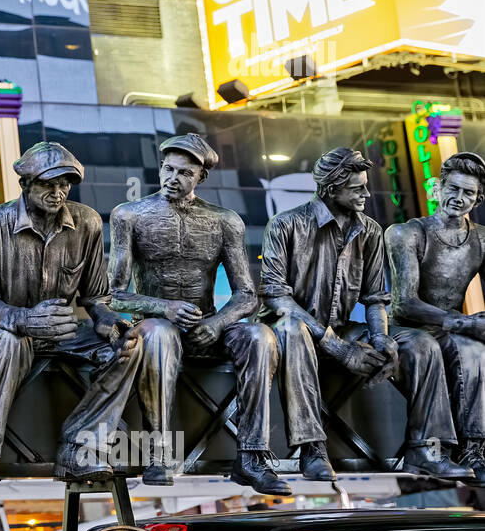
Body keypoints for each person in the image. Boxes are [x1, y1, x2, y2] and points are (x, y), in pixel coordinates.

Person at [260, 147, 470, 480]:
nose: (367, 194)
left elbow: (375, 298)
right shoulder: (285, 225)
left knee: (420, 344)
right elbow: (276, 297)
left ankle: (425, 451)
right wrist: (337, 347)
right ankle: (312, 450)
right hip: (293, 328)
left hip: (342, 328)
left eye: (366, 185)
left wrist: (381, 337)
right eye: (358, 188)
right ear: (331, 189)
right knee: (291, 330)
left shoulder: (370, 230)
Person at [107, 134, 287, 492]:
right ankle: (159, 452)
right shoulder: (129, 216)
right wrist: (165, 308)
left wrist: (217, 323)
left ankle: (252, 456)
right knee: (158, 332)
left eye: (184, 173)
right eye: (168, 169)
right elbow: (113, 295)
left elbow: (247, 296)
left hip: (206, 325)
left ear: (200, 178)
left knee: (260, 335)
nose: (173, 178)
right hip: (156, 327)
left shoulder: (225, 221)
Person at [0, 142, 135, 479]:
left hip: (64, 333)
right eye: (47, 184)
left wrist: (108, 319)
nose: (58, 193)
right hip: (8, 330)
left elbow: (96, 297)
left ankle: (81, 447)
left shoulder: (87, 223)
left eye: (64, 185)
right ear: (25, 184)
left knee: (128, 346)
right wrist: (26, 320)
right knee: (6, 343)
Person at [387, 152, 485, 483]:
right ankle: (430, 449)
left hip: (448, 329)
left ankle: (474, 448)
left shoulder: (481, 238)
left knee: (474, 350)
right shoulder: (407, 234)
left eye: (468, 193)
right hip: (406, 329)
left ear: (477, 198)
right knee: (431, 344)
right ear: (437, 187)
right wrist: (465, 322)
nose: (459, 198)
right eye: (453, 189)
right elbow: (403, 304)